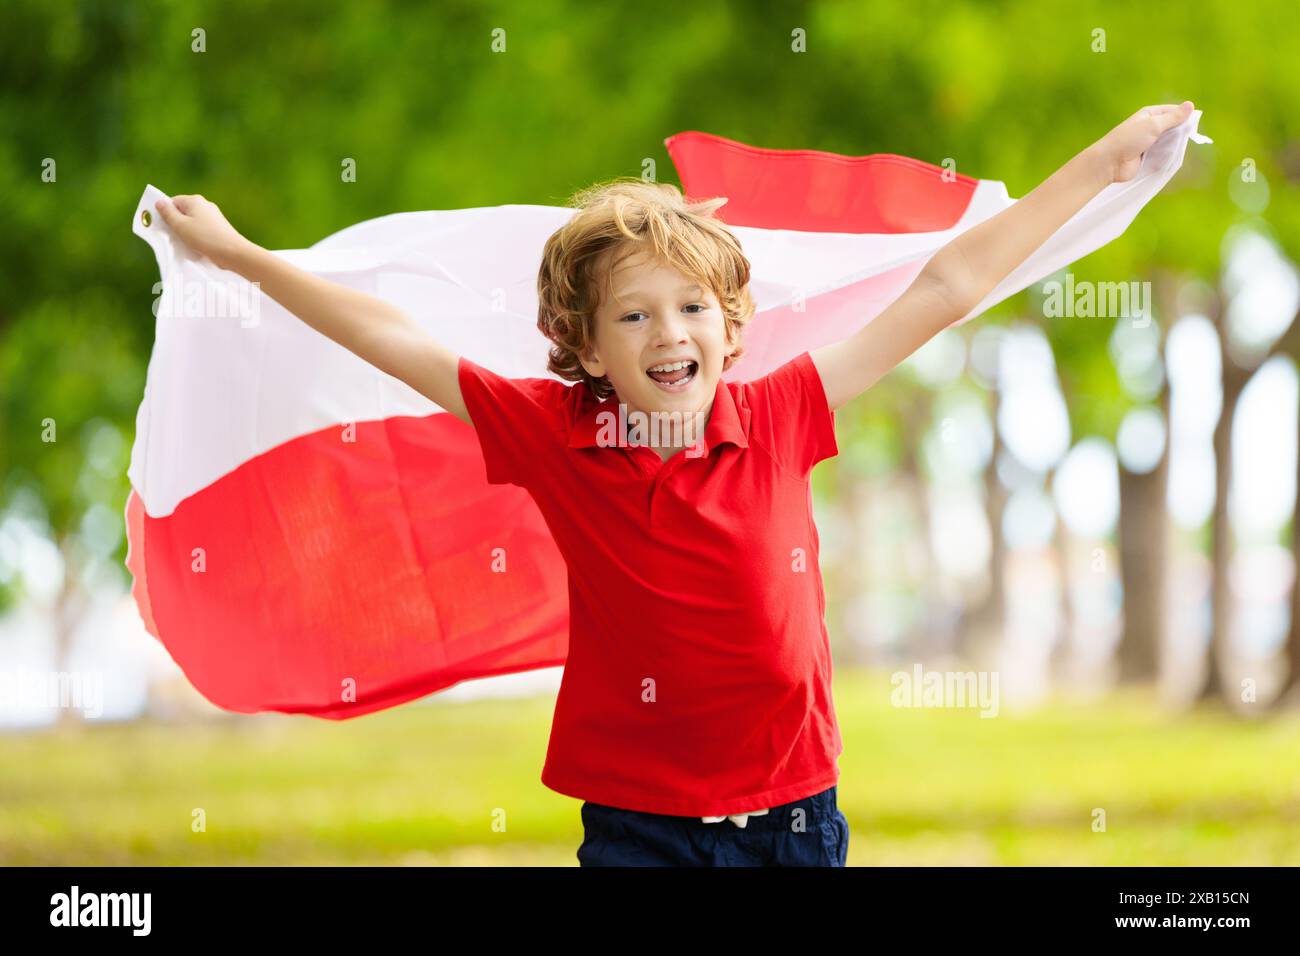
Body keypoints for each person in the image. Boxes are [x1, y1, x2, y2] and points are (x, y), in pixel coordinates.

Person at [152, 101, 1194, 866]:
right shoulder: (557, 433)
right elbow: (393, 337)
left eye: (691, 308)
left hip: (792, 816)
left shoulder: (785, 409)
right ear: (585, 344)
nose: (669, 333)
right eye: (635, 315)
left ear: (729, 327)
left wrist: (1100, 164)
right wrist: (241, 255)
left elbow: (949, 281)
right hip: (638, 825)